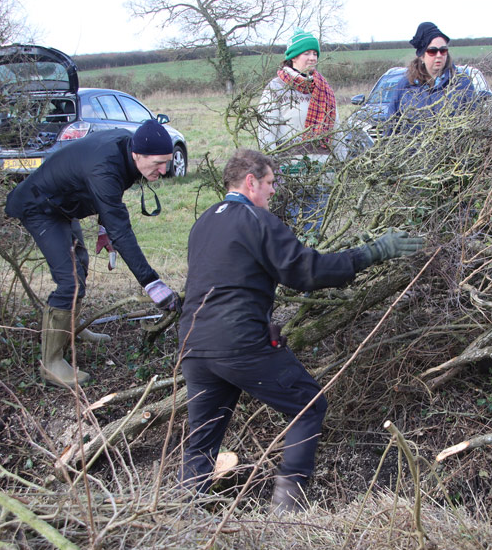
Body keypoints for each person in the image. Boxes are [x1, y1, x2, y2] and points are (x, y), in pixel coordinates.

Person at [176, 148, 423, 512]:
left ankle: (184, 513)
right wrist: (373, 252)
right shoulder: (256, 220)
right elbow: (305, 271)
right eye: (270, 183)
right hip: (239, 341)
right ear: (251, 182)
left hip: (194, 344)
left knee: (203, 435)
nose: (273, 191)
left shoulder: (205, 221)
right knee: (308, 405)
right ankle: (288, 505)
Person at [5, 122, 181, 389]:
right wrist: (151, 283)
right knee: (69, 280)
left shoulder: (126, 148)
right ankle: (50, 363)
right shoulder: (106, 167)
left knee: (81, 266)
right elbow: (121, 229)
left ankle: (70, 331)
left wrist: (102, 228)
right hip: (40, 206)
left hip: (64, 206)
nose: (164, 170)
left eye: (167, 163)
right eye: (158, 163)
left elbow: (108, 198)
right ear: (138, 154)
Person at [386, 22, 479, 132]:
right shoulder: (405, 86)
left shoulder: (461, 83)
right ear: (422, 56)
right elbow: (391, 127)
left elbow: (475, 124)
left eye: (443, 50)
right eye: (432, 51)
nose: (439, 55)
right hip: (415, 148)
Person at [258, 28, 337, 156]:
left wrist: (341, 163)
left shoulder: (324, 89)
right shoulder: (276, 88)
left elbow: (336, 128)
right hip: (288, 167)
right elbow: (266, 133)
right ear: (294, 57)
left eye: (315, 54)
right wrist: (271, 166)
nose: (312, 58)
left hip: (322, 166)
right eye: (306, 53)